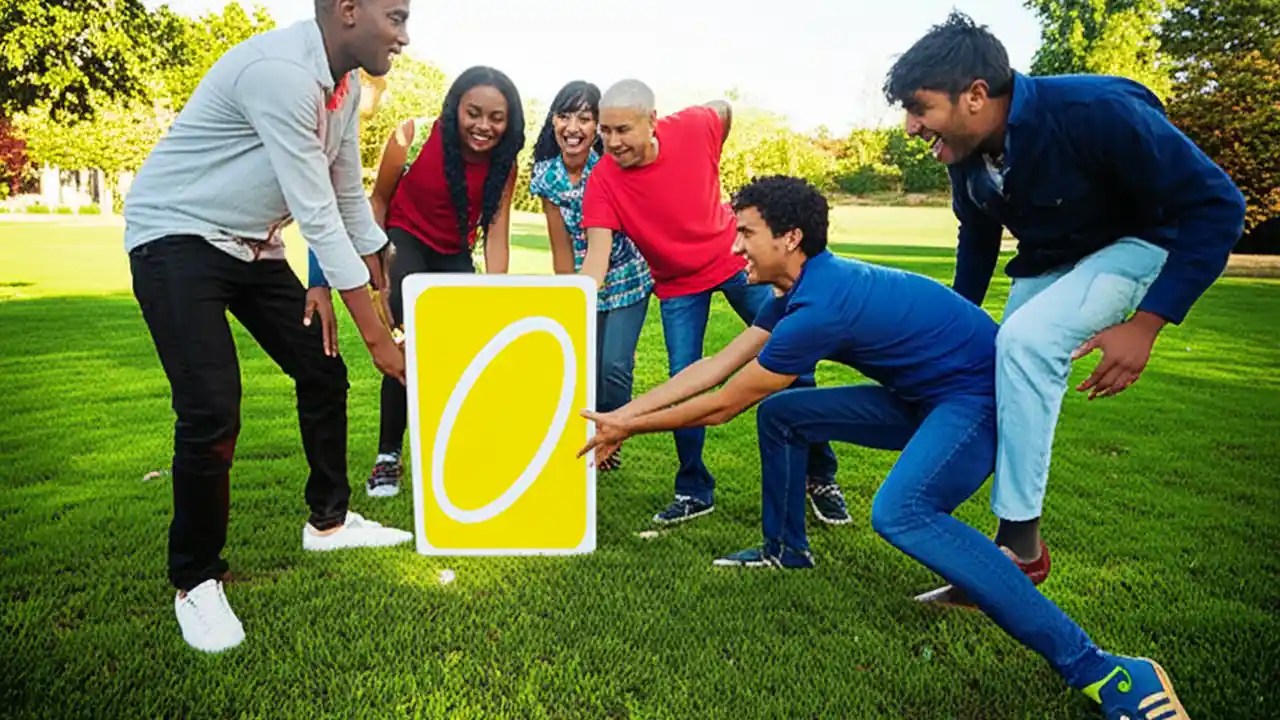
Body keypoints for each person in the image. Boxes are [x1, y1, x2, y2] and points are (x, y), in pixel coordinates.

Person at [579, 175, 1190, 720]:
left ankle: (1105, 669)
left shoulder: (820, 304)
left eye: (746, 233)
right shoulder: (797, 289)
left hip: (978, 403)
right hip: (926, 396)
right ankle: (785, 550)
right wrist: (616, 416)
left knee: (902, 512)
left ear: (790, 238)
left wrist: (629, 430)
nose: (735, 246)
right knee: (786, 415)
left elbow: (724, 402)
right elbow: (717, 363)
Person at [880, 12, 1247, 606]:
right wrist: (956, 324)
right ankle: (962, 532)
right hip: (1054, 256)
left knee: (1026, 342)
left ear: (975, 95)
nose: (910, 126)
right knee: (987, 360)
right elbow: (977, 237)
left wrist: (1147, 324)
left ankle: (1018, 549)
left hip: (1144, 243)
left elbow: (1219, 205)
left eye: (920, 109)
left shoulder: (1095, 110)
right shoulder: (968, 155)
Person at [122, 0, 418, 654]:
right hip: (176, 237)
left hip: (252, 247)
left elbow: (346, 197)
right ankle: (195, 580)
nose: (404, 35)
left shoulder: (343, 90)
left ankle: (330, 521)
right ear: (347, 10)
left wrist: (382, 265)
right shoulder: (282, 74)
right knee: (211, 408)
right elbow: (315, 213)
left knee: (320, 367)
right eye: (395, 17)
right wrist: (379, 342)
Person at [581, 79, 847, 526]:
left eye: (623, 129)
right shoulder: (603, 179)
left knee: (794, 364)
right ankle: (693, 490)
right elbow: (597, 259)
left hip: (736, 265)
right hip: (677, 285)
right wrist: (567, 304)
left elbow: (722, 108)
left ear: (653, 121)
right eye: (604, 131)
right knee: (685, 379)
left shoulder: (694, 126)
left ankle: (820, 476)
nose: (612, 142)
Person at [307, 66, 525, 497]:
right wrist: (378, 271)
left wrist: (496, 292)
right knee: (411, 346)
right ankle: (388, 457)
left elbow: (496, 232)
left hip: (454, 254)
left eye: (496, 118)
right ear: (455, 108)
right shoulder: (413, 134)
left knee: (463, 352)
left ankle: (453, 448)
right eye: (473, 113)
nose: (483, 126)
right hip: (404, 240)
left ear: (509, 120)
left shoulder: (507, 162)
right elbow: (379, 199)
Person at [529, 80, 654, 472]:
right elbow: (559, 244)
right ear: (553, 122)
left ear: (598, 127)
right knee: (587, 364)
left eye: (585, 119)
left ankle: (612, 439)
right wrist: (567, 295)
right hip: (583, 281)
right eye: (565, 116)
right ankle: (590, 434)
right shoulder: (546, 176)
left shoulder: (613, 166)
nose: (573, 127)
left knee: (615, 365)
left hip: (626, 276)